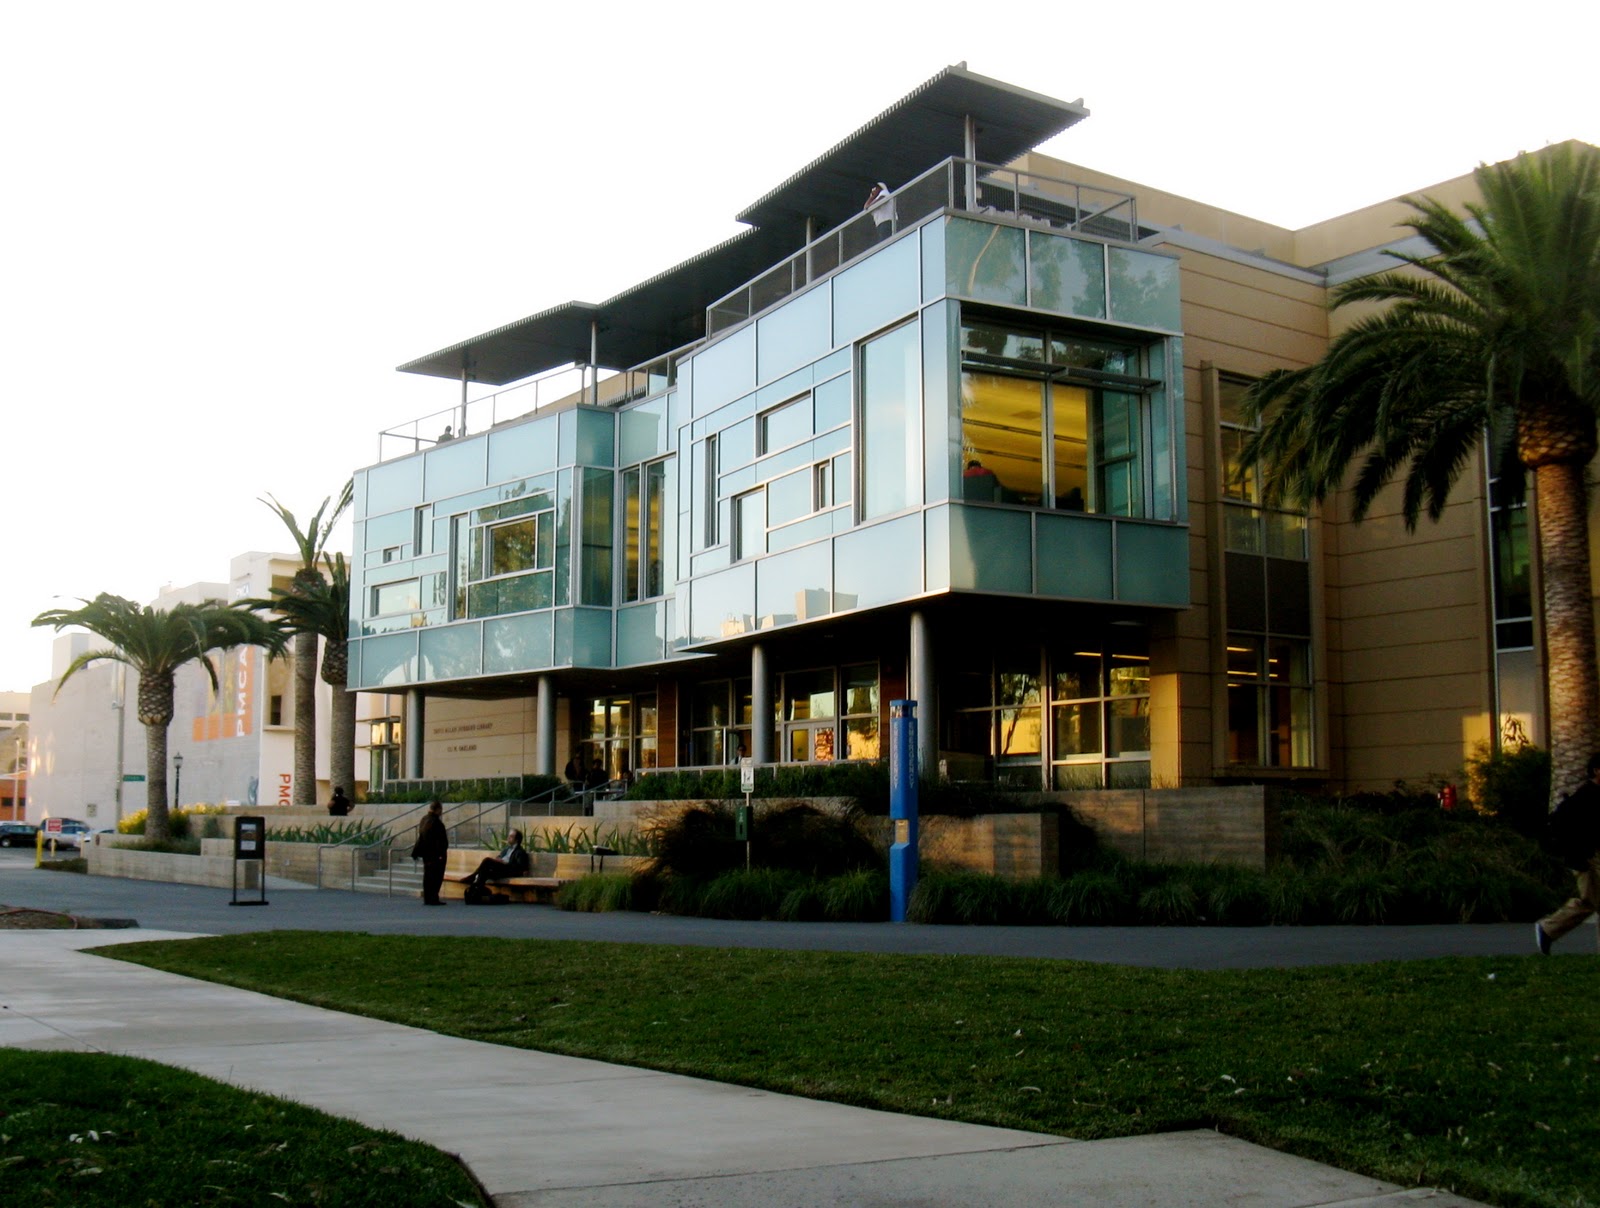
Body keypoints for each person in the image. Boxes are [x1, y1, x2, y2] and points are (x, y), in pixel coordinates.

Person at [1536, 753, 1600, 953]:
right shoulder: (1587, 796)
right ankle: (1548, 929)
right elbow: (1572, 829)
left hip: (1587, 856)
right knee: (1590, 901)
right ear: (1597, 771)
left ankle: (1548, 929)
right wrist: (1578, 857)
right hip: (1586, 857)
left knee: (1591, 901)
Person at [460, 829, 531, 893]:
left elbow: (520, 868)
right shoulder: (506, 849)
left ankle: (473, 877)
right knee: (484, 871)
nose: (508, 838)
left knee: (487, 860)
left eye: (511, 836)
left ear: (517, 840)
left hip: (508, 870)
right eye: (509, 836)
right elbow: (499, 857)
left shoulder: (520, 852)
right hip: (500, 869)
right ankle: (478, 889)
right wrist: (498, 860)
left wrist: (504, 862)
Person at [410, 799, 449, 906]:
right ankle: (433, 898)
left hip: (427, 853)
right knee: (436, 876)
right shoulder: (436, 822)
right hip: (435, 854)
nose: (441, 812)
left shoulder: (424, 819)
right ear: (437, 810)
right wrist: (441, 853)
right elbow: (441, 840)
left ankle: (428, 898)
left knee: (428, 876)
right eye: (440, 809)